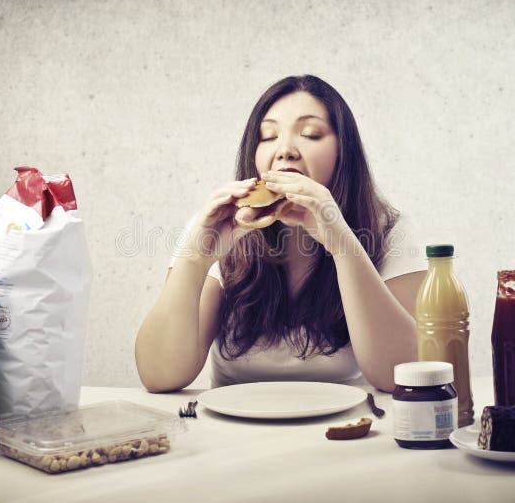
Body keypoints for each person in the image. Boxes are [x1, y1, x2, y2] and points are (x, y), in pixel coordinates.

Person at [135, 75, 427, 393]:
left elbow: (401, 376)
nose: (285, 150)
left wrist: (343, 244)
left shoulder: (389, 230)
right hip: (233, 431)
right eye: (268, 136)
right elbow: (159, 375)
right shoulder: (217, 226)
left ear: (343, 153)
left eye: (311, 134)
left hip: (346, 431)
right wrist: (196, 259)